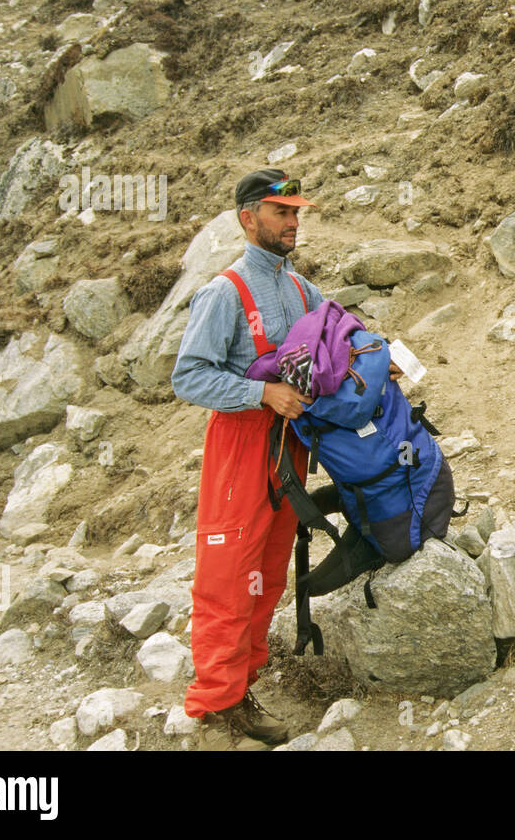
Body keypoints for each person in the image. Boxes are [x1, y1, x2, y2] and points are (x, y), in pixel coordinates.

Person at [171, 168, 324, 749]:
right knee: (228, 577)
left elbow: (337, 333)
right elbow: (188, 376)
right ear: (248, 217)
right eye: (281, 212)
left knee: (268, 572)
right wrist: (261, 392)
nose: (292, 222)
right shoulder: (223, 292)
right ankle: (218, 701)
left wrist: (376, 357)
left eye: (295, 212)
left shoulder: (299, 287)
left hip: (289, 448)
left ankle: (243, 683)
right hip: (239, 447)